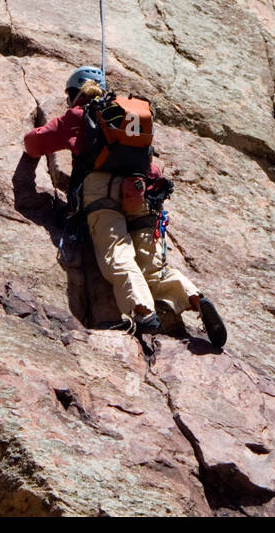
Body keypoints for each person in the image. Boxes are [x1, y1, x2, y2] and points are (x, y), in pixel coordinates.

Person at [21, 66, 227, 347]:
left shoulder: (79, 115)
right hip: (142, 194)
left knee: (117, 254)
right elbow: (150, 167)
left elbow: (35, 143)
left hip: (102, 194)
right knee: (154, 268)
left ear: (73, 94)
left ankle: (142, 310)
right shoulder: (124, 118)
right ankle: (194, 297)